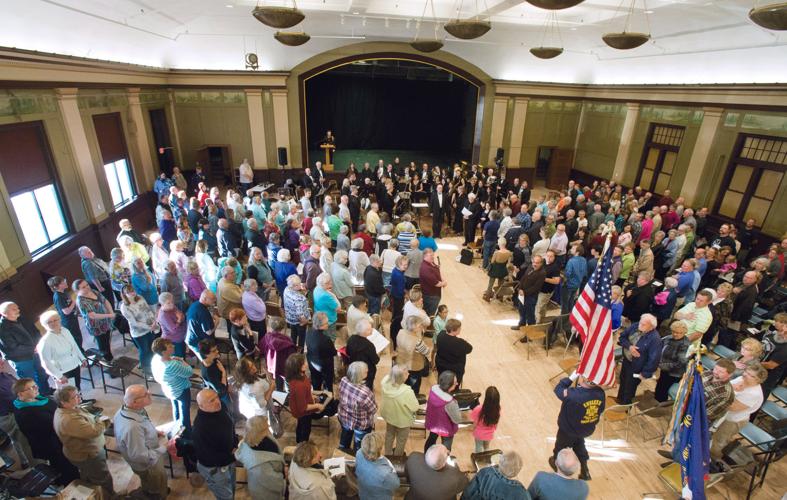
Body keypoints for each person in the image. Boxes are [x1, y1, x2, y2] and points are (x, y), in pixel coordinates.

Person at [12, 378, 79, 485]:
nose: (36, 388)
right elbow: (44, 428)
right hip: (51, 443)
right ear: (21, 394)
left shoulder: (37, 398)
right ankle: (71, 483)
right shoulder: (26, 412)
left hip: (57, 436)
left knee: (66, 462)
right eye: (31, 387)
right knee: (63, 465)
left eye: (35, 385)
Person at [53, 385, 115, 498]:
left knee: (90, 477)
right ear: (64, 402)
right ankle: (110, 497)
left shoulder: (71, 408)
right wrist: (104, 421)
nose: (79, 397)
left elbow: (89, 419)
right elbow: (94, 431)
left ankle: (98, 495)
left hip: (83, 452)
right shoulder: (69, 419)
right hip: (88, 455)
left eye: (78, 393)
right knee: (102, 478)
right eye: (75, 396)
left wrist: (96, 420)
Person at [551, 373, 605, 480]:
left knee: (560, 448)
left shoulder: (572, 395)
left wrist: (571, 377)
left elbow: (558, 389)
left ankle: (557, 465)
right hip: (586, 428)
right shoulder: (600, 393)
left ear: (582, 378)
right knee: (579, 444)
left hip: (567, 430)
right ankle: (585, 470)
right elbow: (601, 409)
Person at [710, 363, 767, 460]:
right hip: (722, 414)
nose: (745, 375)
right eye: (746, 372)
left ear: (758, 380)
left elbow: (732, 407)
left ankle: (713, 462)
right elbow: (725, 387)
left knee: (718, 442)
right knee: (711, 437)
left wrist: (727, 390)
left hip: (733, 420)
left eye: (751, 375)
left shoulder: (754, 394)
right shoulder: (742, 378)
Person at [193, 388, 238, 500]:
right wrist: (233, 455)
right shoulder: (200, 427)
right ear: (201, 406)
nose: (217, 401)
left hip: (229, 459)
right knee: (226, 496)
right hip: (215, 468)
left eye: (216, 397)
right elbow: (209, 456)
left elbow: (230, 426)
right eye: (211, 401)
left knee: (232, 488)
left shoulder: (220, 406)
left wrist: (235, 444)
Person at [0, 302, 53, 394]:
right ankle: (37, 397)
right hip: (21, 359)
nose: (18, 310)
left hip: (36, 352)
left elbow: (36, 332)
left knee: (42, 373)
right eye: (14, 309)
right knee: (29, 381)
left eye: (17, 308)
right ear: (4, 313)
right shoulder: (2, 328)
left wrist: (39, 344)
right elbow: (13, 347)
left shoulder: (22, 318)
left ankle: (46, 391)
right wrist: (33, 348)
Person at [234, 415, 286, 500]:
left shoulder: (262, 437)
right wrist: (284, 479)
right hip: (266, 491)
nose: (269, 426)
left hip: (270, 478)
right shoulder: (258, 465)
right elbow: (273, 483)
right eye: (266, 426)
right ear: (259, 431)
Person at [150, 337, 193, 436]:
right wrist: (182, 361)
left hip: (169, 389)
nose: (173, 346)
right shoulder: (172, 365)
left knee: (176, 407)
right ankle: (186, 432)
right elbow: (189, 372)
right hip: (181, 390)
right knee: (184, 411)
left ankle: (177, 426)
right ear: (164, 352)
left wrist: (173, 359)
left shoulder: (156, 358)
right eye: (170, 346)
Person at [617, 314, 662, 404]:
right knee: (623, 380)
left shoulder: (655, 339)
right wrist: (629, 347)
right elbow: (622, 337)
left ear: (652, 327)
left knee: (629, 388)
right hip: (627, 360)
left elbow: (654, 359)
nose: (640, 325)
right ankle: (619, 400)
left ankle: (625, 407)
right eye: (640, 322)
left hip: (637, 366)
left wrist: (646, 373)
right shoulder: (636, 326)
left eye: (643, 324)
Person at [37, 311, 86, 392]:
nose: (54, 323)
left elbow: (74, 345)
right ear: (45, 325)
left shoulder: (65, 330)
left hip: (74, 364)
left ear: (60, 319)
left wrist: (82, 358)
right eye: (49, 322)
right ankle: (76, 404)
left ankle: (80, 401)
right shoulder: (45, 342)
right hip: (63, 371)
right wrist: (59, 376)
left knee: (77, 386)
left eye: (55, 320)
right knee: (68, 393)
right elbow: (46, 363)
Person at [286, 354, 331, 443]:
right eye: (304, 363)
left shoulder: (300, 375)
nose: (307, 364)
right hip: (303, 412)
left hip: (302, 407)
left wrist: (311, 396)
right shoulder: (299, 385)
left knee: (301, 426)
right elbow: (303, 408)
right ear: (298, 367)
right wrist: (318, 405)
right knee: (305, 429)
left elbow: (305, 392)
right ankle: (302, 445)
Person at [0, 358, 35, 469]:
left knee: (18, 440)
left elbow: (18, 386)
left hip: (16, 410)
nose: (2, 362)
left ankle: (25, 461)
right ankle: (37, 467)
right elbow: (12, 397)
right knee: (25, 440)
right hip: (7, 416)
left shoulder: (4, 375)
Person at [338, 361, 377, 453]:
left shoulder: (343, 380)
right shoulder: (365, 392)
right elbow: (373, 409)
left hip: (344, 418)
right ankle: (356, 456)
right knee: (359, 445)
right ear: (359, 375)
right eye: (365, 372)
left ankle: (342, 452)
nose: (368, 372)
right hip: (360, 424)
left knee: (345, 437)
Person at [380, 364, 419, 456]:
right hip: (403, 420)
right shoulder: (407, 391)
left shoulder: (385, 381)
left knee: (389, 435)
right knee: (401, 440)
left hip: (389, 416)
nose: (408, 374)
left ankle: (388, 454)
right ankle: (397, 458)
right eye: (406, 373)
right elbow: (415, 407)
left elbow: (390, 375)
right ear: (401, 378)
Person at [74, 278, 115, 362]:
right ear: (78, 290)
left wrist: (111, 312)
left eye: (87, 285)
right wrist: (109, 315)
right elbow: (92, 315)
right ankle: (108, 362)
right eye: (83, 287)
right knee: (103, 346)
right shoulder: (81, 301)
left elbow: (105, 300)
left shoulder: (92, 291)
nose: (87, 287)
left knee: (107, 342)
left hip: (105, 322)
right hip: (96, 326)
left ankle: (110, 358)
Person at [119, 285, 157, 373]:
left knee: (151, 348)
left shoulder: (140, 298)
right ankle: (146, 368)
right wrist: (149, 326)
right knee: (144, 351)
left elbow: (148, 310)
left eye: (133, 291)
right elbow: (134, 322)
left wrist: (154, 321)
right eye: (129, 292)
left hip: (151, 327)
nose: (132, 293)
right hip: (139, 332)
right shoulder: (124, 307)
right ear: (124, 294)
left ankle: (152, 364)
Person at [461, 450, 529, 499]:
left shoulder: (485, 473)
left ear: (500, 463)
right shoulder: (521, 492)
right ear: (516, 472)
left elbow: (468, 493)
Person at [424, 370, 462, 452]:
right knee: (446, 448)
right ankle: (443, 461)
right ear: (449, 386)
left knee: (431, 439)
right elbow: (457, 419)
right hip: (445, 429)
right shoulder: (450, 403)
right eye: (455, 382)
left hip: (433, 424)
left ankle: (426, 456)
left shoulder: (433, 391)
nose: (457, 383)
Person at [355, 432, 400, 500]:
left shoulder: (359, 453)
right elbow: (396, 485)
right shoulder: (386, 473)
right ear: (380, 448)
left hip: (363, 494)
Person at [654, 321, 691, 402]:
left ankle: (660, 405)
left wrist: (661, 366)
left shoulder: (685, 345)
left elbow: (680, 363)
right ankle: (656, 400)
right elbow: (659, 344)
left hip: (674, 372)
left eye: (679, 333)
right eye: (674, 331)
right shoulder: (669, 338)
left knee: (664, 388)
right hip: (664, 367)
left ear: (684, 333)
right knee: (660, 384)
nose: (675, 334)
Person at [260, 317, 297, 391]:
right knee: (288, 383)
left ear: (270, 327)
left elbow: (261, 348)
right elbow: (292, 358)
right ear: (283, 329)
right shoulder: (288, 342)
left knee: (277, 381)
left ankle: (279, 392)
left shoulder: (267, 337)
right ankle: (288, 393)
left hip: (272, 367)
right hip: (284, 368)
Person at [396, 315, 431, 394]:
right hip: (413, 367)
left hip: (401, 362)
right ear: (415, 327)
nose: (421, 327)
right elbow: (427, 351)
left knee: (404, 382)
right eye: (420, 325)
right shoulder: (417, 341)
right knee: (414, 386)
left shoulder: (400, 332)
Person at [48, 276, 84, 352]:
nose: (65, 283)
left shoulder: (64, 292)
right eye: (62, 282)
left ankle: (82, 352)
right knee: (76, 339)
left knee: (79, 337)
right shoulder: (58, 297)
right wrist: (74, 302)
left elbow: (70, 304)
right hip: (68, 322)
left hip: (73, 318)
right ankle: (81, 355)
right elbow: (66, 311)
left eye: (64, 281)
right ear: (56, 286)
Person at [234, 355, 274, 420]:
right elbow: (261, 405)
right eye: (250, 368)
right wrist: (271, 388)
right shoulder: (254, 387)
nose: (254, 368)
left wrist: (267, 374)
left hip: (250, 408)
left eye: (252, 365)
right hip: (260, 414)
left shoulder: (244, 379)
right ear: (245, 373)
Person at [435, 319, 473, 386]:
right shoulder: (459, 343)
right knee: (452, 387)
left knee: (442, 382)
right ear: (453, 330)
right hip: (454, 370)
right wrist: (463, 342)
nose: (460, 329)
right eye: (459, 328)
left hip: (441, 365)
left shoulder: (441, 334)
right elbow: (469, 348)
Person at [514, 255, 546, 329]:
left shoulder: (542, 273)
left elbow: (536, 287)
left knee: (530, 315)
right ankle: (521, 325)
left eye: (537, 263)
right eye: (534, 262)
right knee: (521, 311)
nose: (535, 264)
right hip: (522, 294)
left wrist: (524, 292)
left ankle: (529, 333)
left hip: (531, 297)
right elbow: (523, 278)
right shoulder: (530, 267)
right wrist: (520, 288)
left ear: (541, 263)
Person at [198, 339, 231, 410]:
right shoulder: (208, 372)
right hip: (221, 395)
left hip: (223, 388)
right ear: (206, 354)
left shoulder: (212, 359)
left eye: (216, 349)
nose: (217, 351)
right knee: (227, 410)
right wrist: (223, 373)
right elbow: (221, 389)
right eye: (214, 351)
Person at [186, 290, 217, 357]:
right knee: (207, 360)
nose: (214, 301)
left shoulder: (195, 304)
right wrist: (217, 322)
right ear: (205, 299)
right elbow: (208, 332)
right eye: (212, 299)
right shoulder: (203, 312)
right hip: (198, 342)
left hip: (192, 337)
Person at [470, 386, 501, 452]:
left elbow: (474, 423)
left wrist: (472, 429)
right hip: (489, 433)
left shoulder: (478, 409)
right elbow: (496, 422)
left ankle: (478, 459)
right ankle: (486, 459)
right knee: (486, 447)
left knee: (478, 447)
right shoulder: (498, 409)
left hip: (479, 433)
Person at [157, 292, 188, 358]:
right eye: (168, 303)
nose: (172, 304)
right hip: (173, 340)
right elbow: (174, 330)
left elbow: (182, 316)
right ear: (162, 304)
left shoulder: (172, 307)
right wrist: (179, 320)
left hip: (181, 336)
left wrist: (180, 318)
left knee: (183, 353)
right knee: (179, 357)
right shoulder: (163, 315)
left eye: (172, 301)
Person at [483, 238, 512, 302]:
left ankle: (487, 297)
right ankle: (500, 297)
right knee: (501, 284)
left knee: (491, 283)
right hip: (503, 270)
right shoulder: (509, 252)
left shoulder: (497, 252)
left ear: (499, 244)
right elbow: (508, 263)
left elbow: (492, 261)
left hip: (494, 270)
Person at [419, 248, 446, 316]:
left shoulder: (430, 262)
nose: (433, 257)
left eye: (433, 255)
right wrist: (444, 283)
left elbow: (436, 270)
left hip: (434, 293)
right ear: (425, 256)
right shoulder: (425, 269)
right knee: (430, 312)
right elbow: (436, 283)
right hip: (431, 295)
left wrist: (442, 279)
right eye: (431, 255)